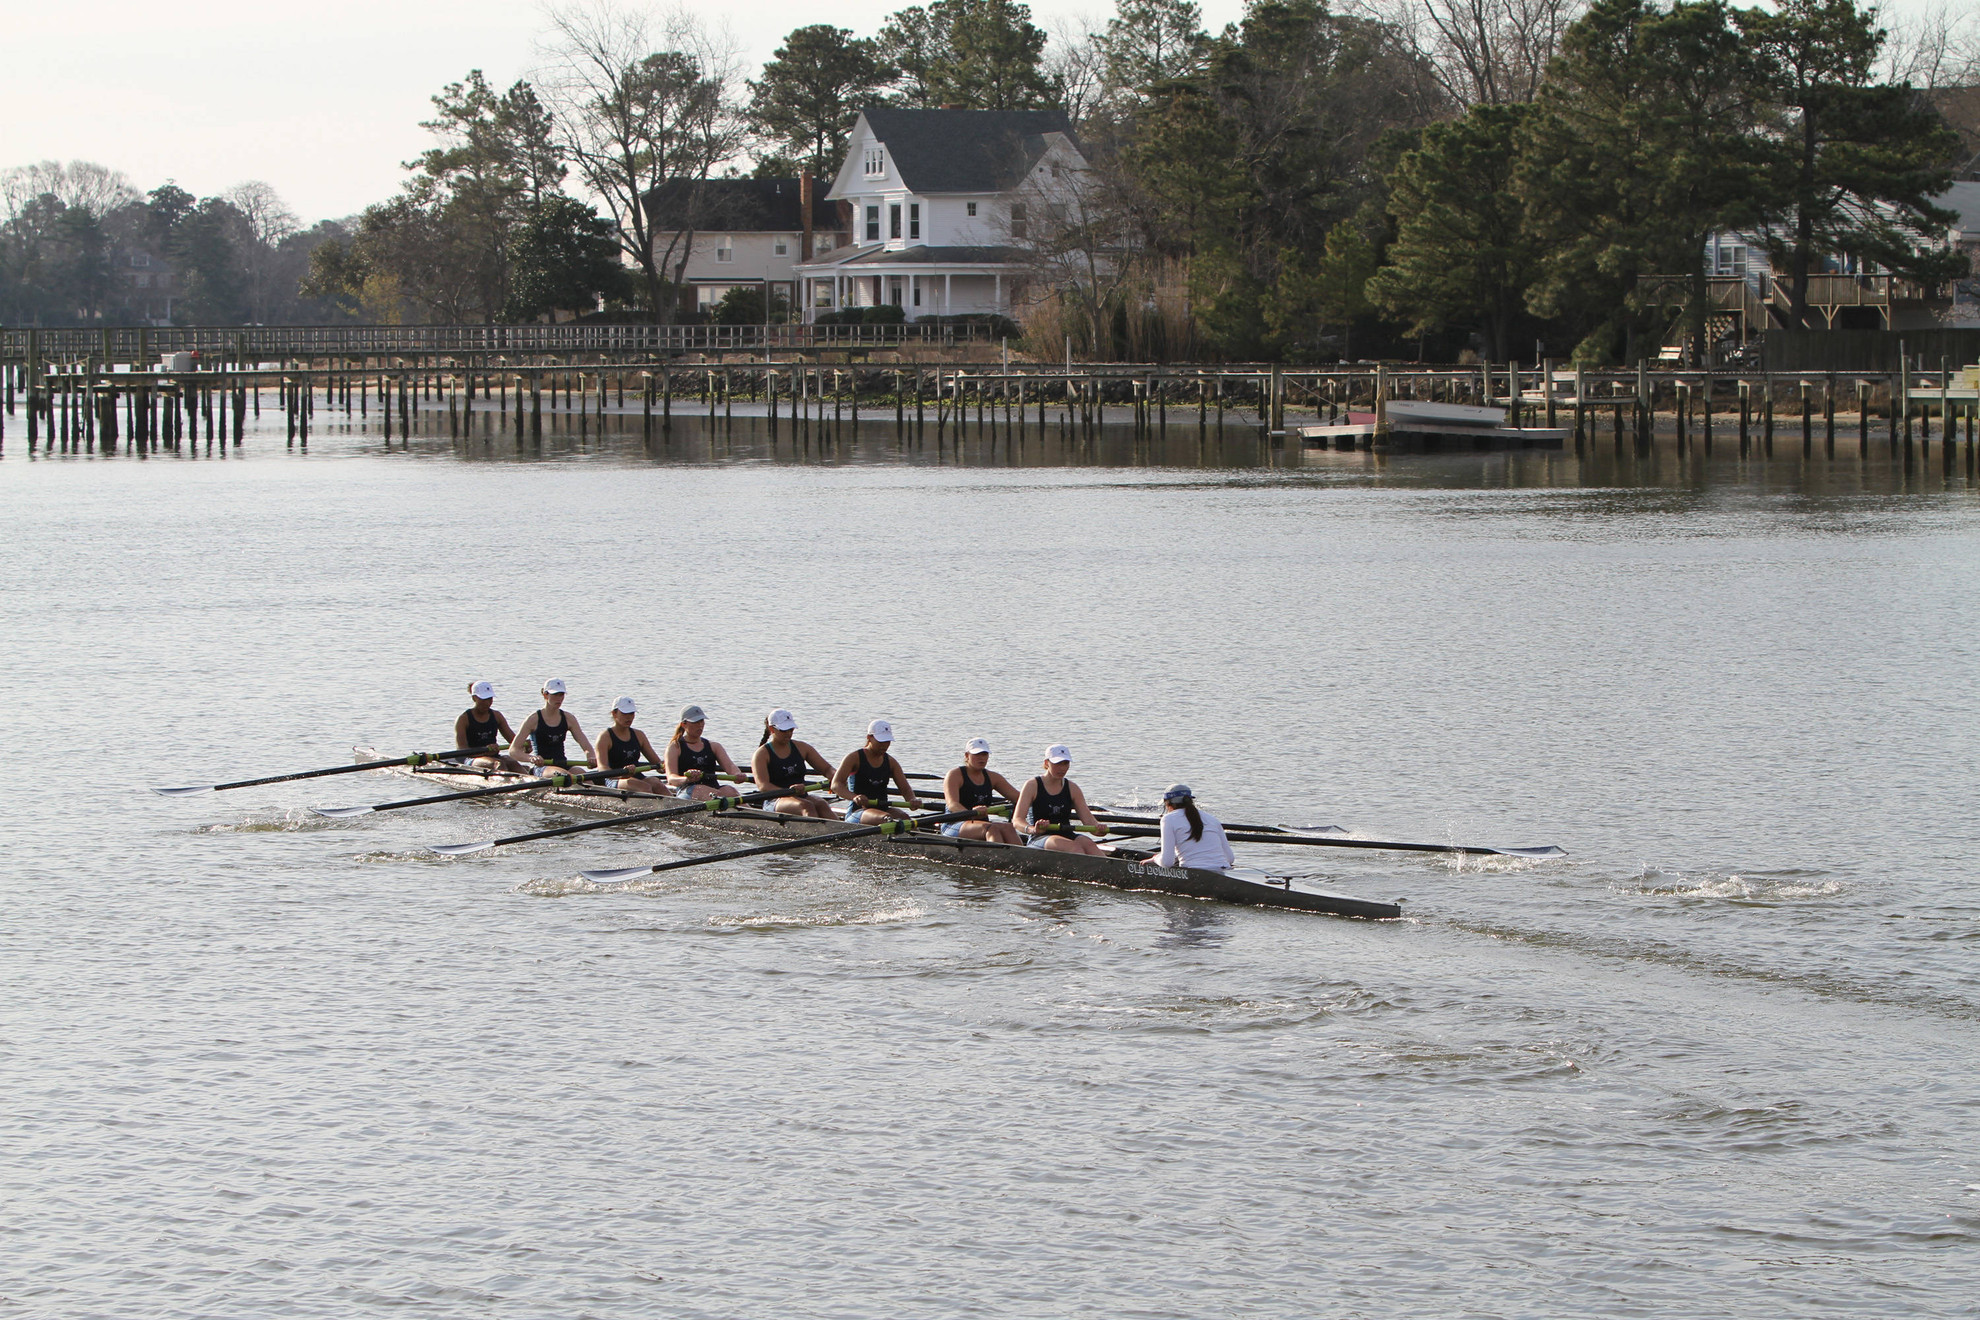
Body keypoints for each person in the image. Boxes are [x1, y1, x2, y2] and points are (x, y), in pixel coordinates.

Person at [1011, 744, 1109, 854]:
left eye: (1065, 763)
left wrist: (1099, 829)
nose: (1062, 768)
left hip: (1066, 834)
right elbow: (1017, 820)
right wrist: (1032, 829)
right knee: (1074, 848)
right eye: (1057, 763)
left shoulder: (1073, 788)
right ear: (1046, 763)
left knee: (1090, 845)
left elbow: (1089, 821)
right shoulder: (1032, 785)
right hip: (1040, 837)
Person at [831, 719, 923, 825]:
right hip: (858, 811)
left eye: (887, 741)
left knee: (905, 818)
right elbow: (836, 785)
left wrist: (912, 800)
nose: (884, 745)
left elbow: (905, 789)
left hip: (883, 810)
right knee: (886, 818)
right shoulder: (854, 758)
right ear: (869, 737)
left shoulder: (891, 762)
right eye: (881, 741)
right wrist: (854, 797)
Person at [750, 708, 838, 818]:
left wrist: (837, 778)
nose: (788, 734)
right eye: (784, 730)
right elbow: (763, 786)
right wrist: (788, 791)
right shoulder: (761, 754)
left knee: (822, 804)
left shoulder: (802, 748)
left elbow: (827, 769)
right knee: (806, 806)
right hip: (775, 800)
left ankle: (842, 832)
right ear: (772, 729)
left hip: (801, 795)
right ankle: (811, 832)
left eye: (791, 730)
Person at [941, 738, 1022, 844]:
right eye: (977, 754)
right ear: (967, 756)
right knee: (991, 828)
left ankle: (1026, 858)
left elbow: (1020, 799)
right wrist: (971, 814)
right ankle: (996, 859)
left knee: (1009, 828)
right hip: (954, 823)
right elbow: (952, 804)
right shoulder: (955, 775)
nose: (981, 758)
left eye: (984, 754)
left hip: (981, 823)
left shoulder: (993, 777)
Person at [1139, 784, 1236, 871]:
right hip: (1223, 869)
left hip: (1193, 873)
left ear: (1168, 803)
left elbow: (1166, 862)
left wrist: (1155, 858)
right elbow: (1230, 859)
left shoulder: (1168, 819)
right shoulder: (1212, 819)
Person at [509, 679, 595, 775]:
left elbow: (586, 746)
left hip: (563, 764)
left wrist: (591, 757)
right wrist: (531, 758)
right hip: (542, 767)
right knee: (562, 774)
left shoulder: (569, 718)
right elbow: (513, 750)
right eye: (555, 694)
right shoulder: (533, 719)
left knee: (583, 774)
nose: (559, 698)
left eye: (561, 694)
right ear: (545, 695)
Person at [665, 704, 745, 801]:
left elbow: (730, 767)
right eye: (695, 722)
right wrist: (687, 779)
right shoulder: (675, 747)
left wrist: (737, 774)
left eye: (701, 721)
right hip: (687, 790)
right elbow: (671, 778)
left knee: (730, 790)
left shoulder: (714, 746)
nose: (700, 725)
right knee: (703, 790)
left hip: (714, 789)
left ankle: (751, 814)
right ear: (683, 724)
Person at [598, 697, 667, 794]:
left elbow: (658, 765)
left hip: (636, 776)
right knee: (644, 787)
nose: (629, 717)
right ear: (614, 713)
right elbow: (602, 769)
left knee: (657, 783)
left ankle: (678, 807)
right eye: (625, 713)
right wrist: (622, 774)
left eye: (631, 713)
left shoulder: (639, 735)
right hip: (614, 779)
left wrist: (665, 765)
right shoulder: (605, 737)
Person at [454, 681, 521, 771]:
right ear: (474, 698)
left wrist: (523, 745)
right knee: (498, 764)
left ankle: (532, 783)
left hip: (492, 756)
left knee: (513, 763)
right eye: (483, 699)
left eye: (490, 699)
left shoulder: (497, 716)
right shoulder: (463, 719)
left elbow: (513, 741)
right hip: (470, 759)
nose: (487, 703)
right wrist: (484, 751)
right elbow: (462, 751)